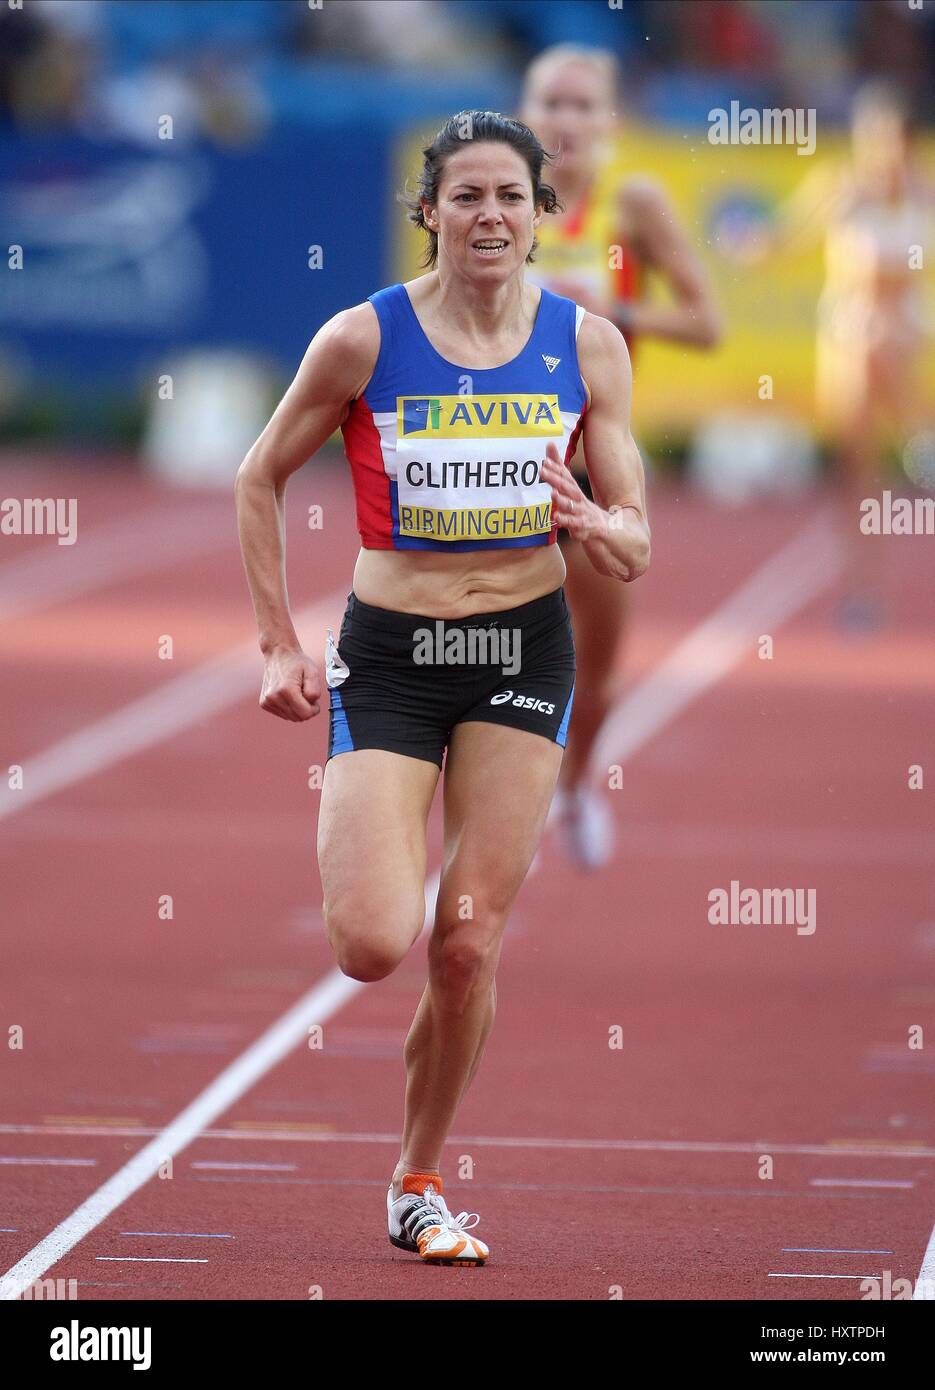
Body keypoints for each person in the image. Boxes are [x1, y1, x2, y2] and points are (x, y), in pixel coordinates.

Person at [234, 110, 649, 1265]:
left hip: (521, 651)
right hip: (395, 657)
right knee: (371, 942)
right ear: (429, 213)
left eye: (509, 196)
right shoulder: (361, 341)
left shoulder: (587, 345)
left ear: (538, 212)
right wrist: (277, 642)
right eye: (465, 196)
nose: (488, 216)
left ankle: (418, 1180)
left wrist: (601, 525)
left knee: (464, 944)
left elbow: (634, 538)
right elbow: (256, 475)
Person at [520, 45, 721, 867]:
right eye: (550, 103)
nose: (564, 120)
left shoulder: (630, 204)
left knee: (595, 671)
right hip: (513, 453)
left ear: (608, 119)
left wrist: (615, 304)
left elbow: (707, 322)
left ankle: (574, 785)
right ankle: (513, 803)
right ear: (525, 109)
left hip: (597, 459)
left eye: (581, 105)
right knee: (504, 648)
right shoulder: (503, 199)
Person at [734, 81, 933, 629]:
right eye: (875, 141)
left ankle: (921, 443)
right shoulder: (842, 190)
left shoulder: (924, 195)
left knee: (884, 337)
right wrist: (747, 244)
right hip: (851, 340)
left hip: (903, 340)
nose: (885, 154)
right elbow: (781, 240)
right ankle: (863, 584)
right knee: (859, 470)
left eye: (895, 141)